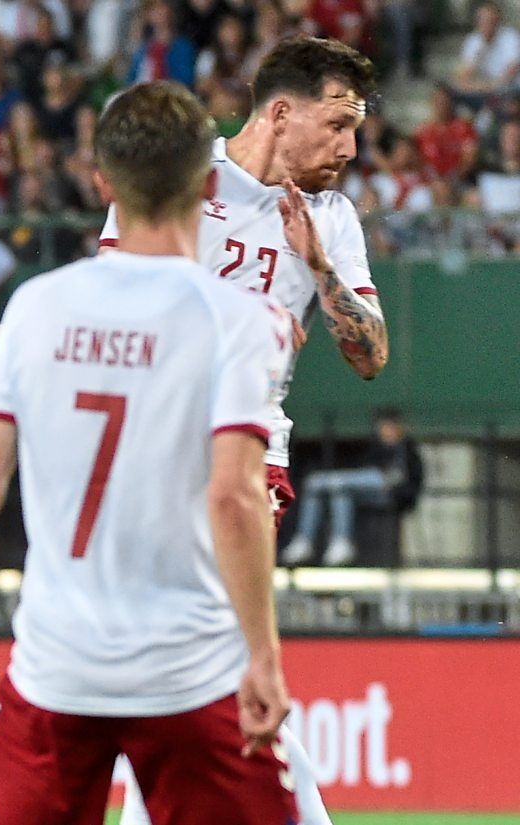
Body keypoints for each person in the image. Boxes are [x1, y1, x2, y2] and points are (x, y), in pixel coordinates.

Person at [0, 81, 297, 825]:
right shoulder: (243, 319)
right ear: (207, 181)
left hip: (56, 669)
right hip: (189, 670)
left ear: (101, 181)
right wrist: (263, 654)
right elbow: (234, 498)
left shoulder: (36, 307)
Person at [98, 34, 386, 825]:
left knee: (210, 651)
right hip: (151, 453)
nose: (350, 148)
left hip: (250, 457)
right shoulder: (177, 177)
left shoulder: (332, 216)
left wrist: (322, 270)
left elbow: (371, 355)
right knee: (192, 665)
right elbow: (110, 301)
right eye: (338, 125)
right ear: (282, 112)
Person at [283, 408, 424, 566]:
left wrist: (400, 491)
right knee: (341, 491)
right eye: (384, 427)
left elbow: (407, 481)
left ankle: (327, 480)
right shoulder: (375, 447)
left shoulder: (407, 448)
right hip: (370, 493)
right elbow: (363, 470)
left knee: (330, 483)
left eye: (391, 427)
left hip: (393, 495)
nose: (387, 431)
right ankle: (335, 542)